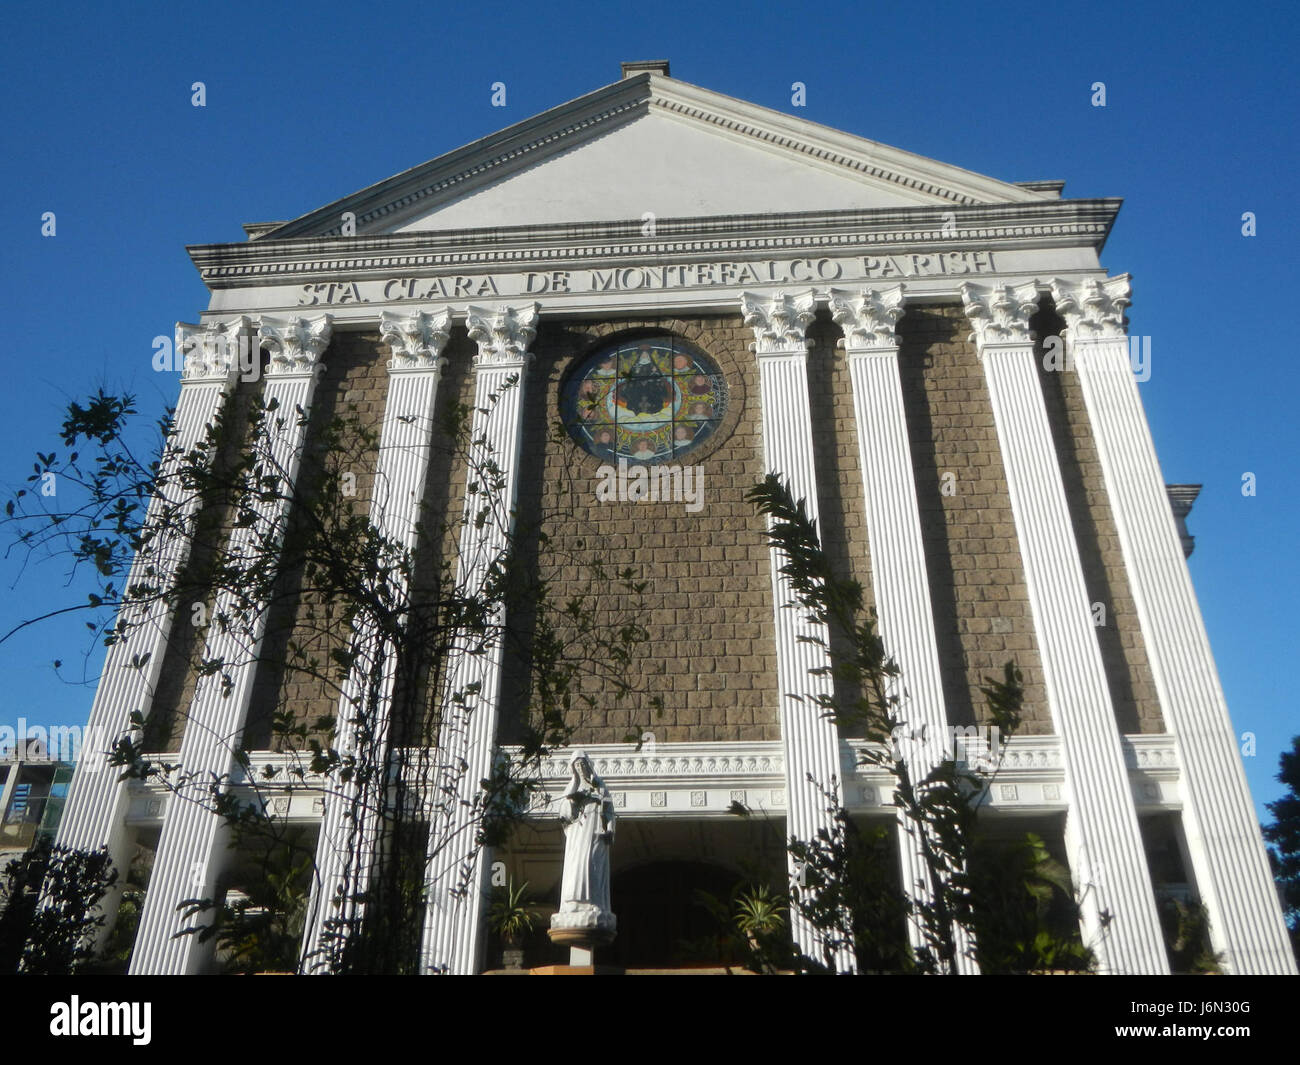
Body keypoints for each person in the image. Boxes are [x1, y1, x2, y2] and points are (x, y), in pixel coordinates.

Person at [557, 750, 616, 916]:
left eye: (582, 764)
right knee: (577, 865)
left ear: (588, 765)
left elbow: (609, 810)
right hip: (578, 831)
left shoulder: (600, 786)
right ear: (573, 769)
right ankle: (573, 902)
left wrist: (610, 828)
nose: (580, 767)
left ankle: (594, 901)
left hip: (595, 830)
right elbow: (564, 814)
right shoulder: (572, 787)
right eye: (577, 765)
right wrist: (573, 801)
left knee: (592, 864)